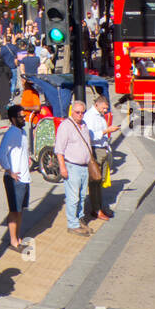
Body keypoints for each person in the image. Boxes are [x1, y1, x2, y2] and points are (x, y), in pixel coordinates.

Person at [55, 99, 96, 236]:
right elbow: (59, 150)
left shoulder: (84, 125)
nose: (80, 115)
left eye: (82, 112)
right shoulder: (65, 126)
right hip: (71, 166)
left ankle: (80, 219)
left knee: (82, 196)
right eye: (77, 112)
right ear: (72, 112)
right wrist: (62, 168)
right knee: (73, 198)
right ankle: (72, 225)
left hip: (84, 167)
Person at [0, 104, 31, 252]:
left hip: (24, 177)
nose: (24, 119)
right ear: (13, 119)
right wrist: (9, 171)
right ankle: (13, 241)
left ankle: (17, 237)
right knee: (14, 211)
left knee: (20, 210)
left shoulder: (22, 132)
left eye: (24, 116)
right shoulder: (11, 133)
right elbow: (1, 154)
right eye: (21, 117)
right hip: (15, 179)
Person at [84, 95, 119, 221]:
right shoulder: (89, 116)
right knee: (95, 181)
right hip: (96, 150)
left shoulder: (99, 115)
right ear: (98, 104)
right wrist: (107, 131)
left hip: (103, 149)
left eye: (106, 109)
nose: (105, 111)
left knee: (100, 181)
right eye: (104, 108)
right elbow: (90, 136)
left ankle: (100, 207)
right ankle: (96, 210)